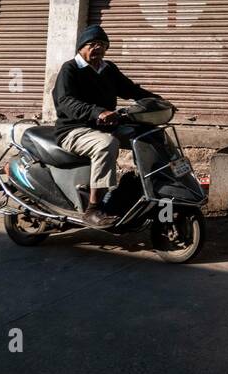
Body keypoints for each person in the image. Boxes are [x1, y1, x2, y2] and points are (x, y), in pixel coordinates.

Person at [53, 25, 156, 227]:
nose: (97, 48)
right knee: (106, 145)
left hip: (105, 126)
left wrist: (156, 101)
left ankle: (153, 185)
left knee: (149, 134)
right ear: (81, 48)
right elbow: (66, 101)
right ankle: (93, 209)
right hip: (73, 129)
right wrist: (97, 112)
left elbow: (130, 89)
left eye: (102, 44)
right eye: (92, 44)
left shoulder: (107, 69)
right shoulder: (70, 69)